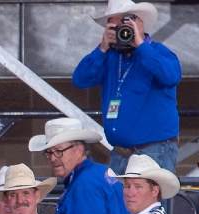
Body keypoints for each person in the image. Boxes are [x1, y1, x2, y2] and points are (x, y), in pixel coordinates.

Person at [72, 0, 182, 175]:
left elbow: (171, 76)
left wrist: (140, 44)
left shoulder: (158, 52)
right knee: (117, 193)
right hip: (120, 152)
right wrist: (102, 48)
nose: (122, 31)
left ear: (139, 24)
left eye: (125, 24)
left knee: (151, 193)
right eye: (114, 26)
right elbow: (80, 79)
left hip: (153, 150)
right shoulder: (110, 56)